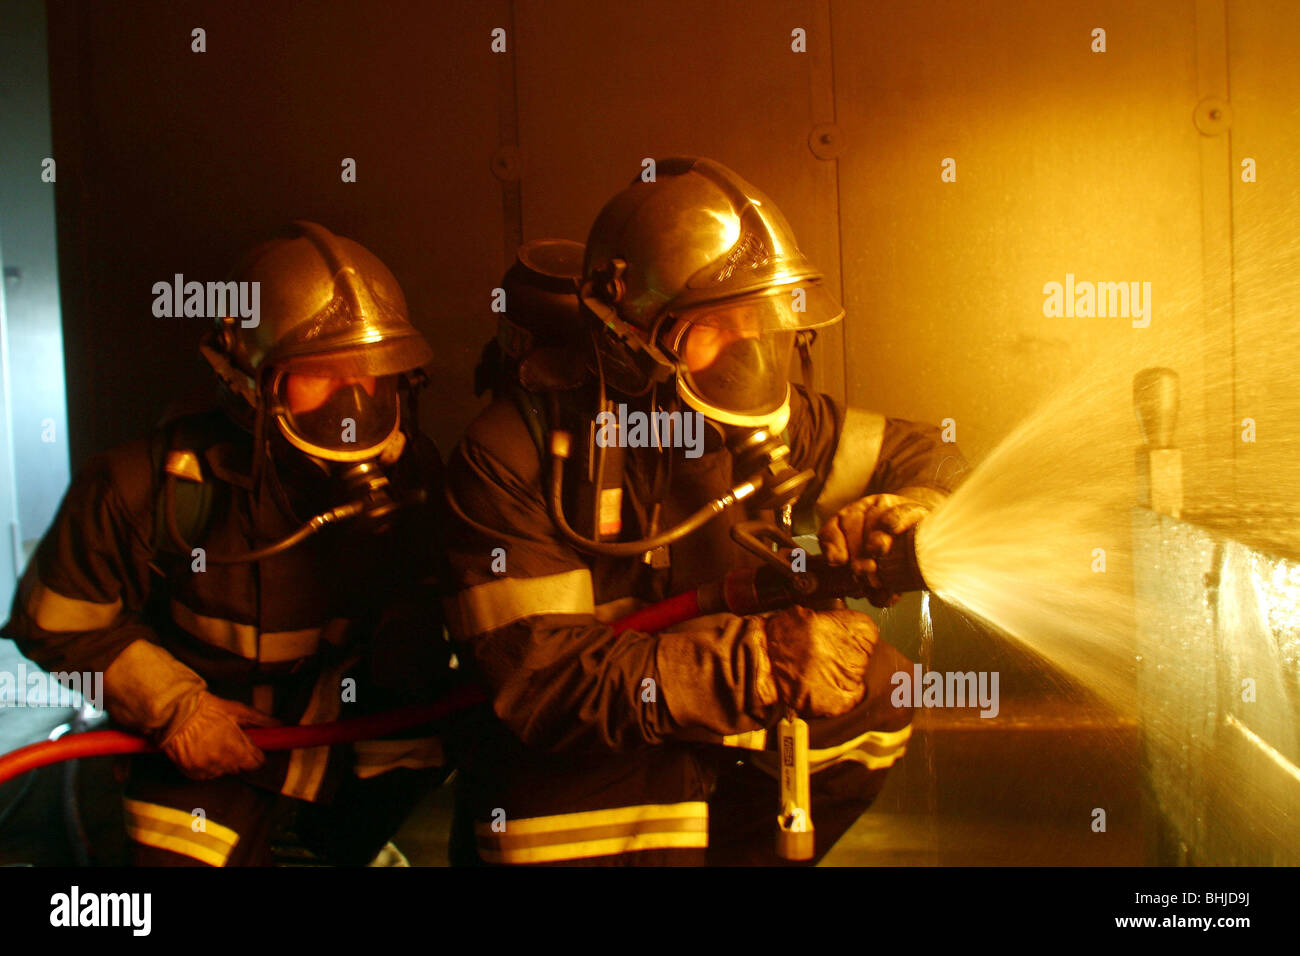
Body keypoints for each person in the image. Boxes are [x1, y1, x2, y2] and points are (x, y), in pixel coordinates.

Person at [442, 157, 968, 865]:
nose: (749, 348)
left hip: (711, 756)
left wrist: (910, 507)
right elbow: (540, 683)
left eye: (763, 319)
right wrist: (754, 665)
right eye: (717, 323)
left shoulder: (755, 417)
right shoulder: (510, 455)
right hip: (573, 784)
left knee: (882, 687)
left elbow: (920, 452)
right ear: (630, 336)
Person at [3, 221, 451, 866]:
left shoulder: (412, 474)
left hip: (356, 749)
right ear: (244, 376)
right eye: (321, 371)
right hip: (205, 753)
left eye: (371, 372)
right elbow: (54, 627)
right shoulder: (142, 487)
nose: (355, 400)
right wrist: (173, 708)